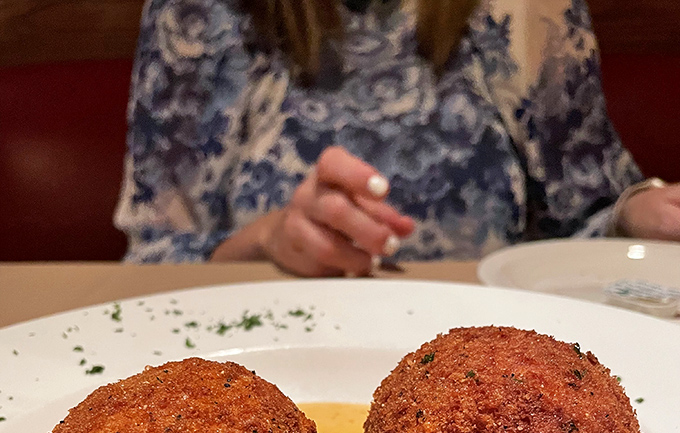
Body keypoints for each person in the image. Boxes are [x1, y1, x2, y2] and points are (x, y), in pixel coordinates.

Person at [115, 0, 680, 276]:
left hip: (503, 358)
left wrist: (633, 215)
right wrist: (266, 239)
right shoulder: (198, 11)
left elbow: (585, 220)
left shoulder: (526, 6)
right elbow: (154, 258)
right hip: (270, 347)